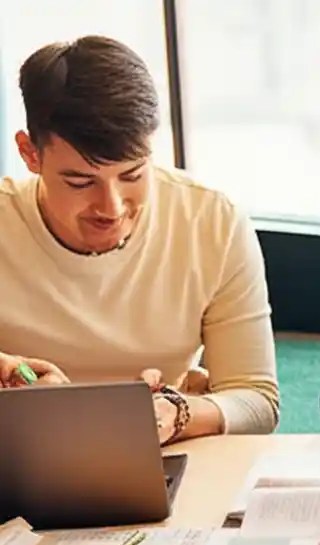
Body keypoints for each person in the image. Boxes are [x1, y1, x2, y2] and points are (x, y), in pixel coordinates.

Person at [0, 36, 279, 444]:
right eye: (80, 182)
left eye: (132, 175)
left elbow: (257, 400)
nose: (111, 207)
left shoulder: (212, 222)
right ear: (30, 154)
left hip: (166, 455)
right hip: (19, 456)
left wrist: (178, 412)